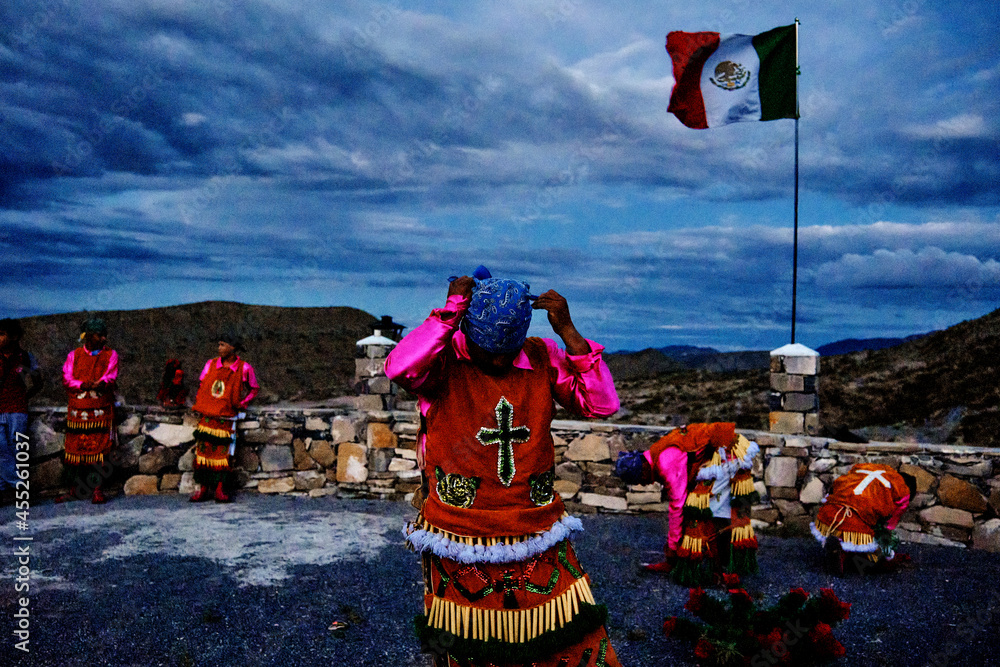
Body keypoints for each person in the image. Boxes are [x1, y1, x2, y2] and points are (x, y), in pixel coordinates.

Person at [386, 266, 622, 667]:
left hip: (536, 527)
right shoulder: (442, 360)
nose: (498, 358)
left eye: (507, 349)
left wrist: (568, 332)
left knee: (561, 633)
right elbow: (398, 367)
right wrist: (451, 310)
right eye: (487, 348)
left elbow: (601, 404)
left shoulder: (542, 356)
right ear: (467, 331)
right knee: (463, 639)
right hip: (459, 531)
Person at [616, 422, 760, 585]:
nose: (644, 484)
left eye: (640, 480)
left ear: (643, 470)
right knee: (705, 509)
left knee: (705, 512)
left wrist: (673, 547)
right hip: (722, 451)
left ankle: (719, 571)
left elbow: (677, 505)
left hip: (728, 455)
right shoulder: (655, 452)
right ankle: (720, 564)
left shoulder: (665, 463)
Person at [811, 463, 916, 576]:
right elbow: (888, 526)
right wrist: (889, 553)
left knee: (850, 531)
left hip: (828, 515)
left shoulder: (869, 467)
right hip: (855, 523)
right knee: (881, 552)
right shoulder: (903, 490)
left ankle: (840, 549)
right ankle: (851, 559)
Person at [189, 333, 258, 503]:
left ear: (232, 348)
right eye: (219, 344)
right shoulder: (211, 364)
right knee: (203, 452)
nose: (219, 348)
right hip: (208, 416)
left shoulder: (244, 368)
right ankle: (203, 488)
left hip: (226, 418)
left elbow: (254, 388)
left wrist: (242, 403)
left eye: (222, 345)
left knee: (224, 454)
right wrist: (203, 402)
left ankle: (220, 489)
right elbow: (203, 384)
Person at [61, 318, 118, 504]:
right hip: (78, 411)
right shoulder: (74, 355)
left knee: (99, 451)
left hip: (100, 411)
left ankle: (97, 489)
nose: (104, 338)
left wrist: (100, 383)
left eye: (104, 335)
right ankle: (74, 489)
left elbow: (110, 375)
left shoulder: (111, 355)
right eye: (99, 335)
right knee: (75, 450)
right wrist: (82, 385)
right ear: (88, 336)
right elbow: (67, 378)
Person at [0, 319, 43, 505]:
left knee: (18, 448)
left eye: (2, 334)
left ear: (14, 337)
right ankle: (20, 486)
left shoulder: (25, 357)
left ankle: (4, 489)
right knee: (1, 448)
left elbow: (38, 381)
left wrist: (24, 397)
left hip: (17, 408)